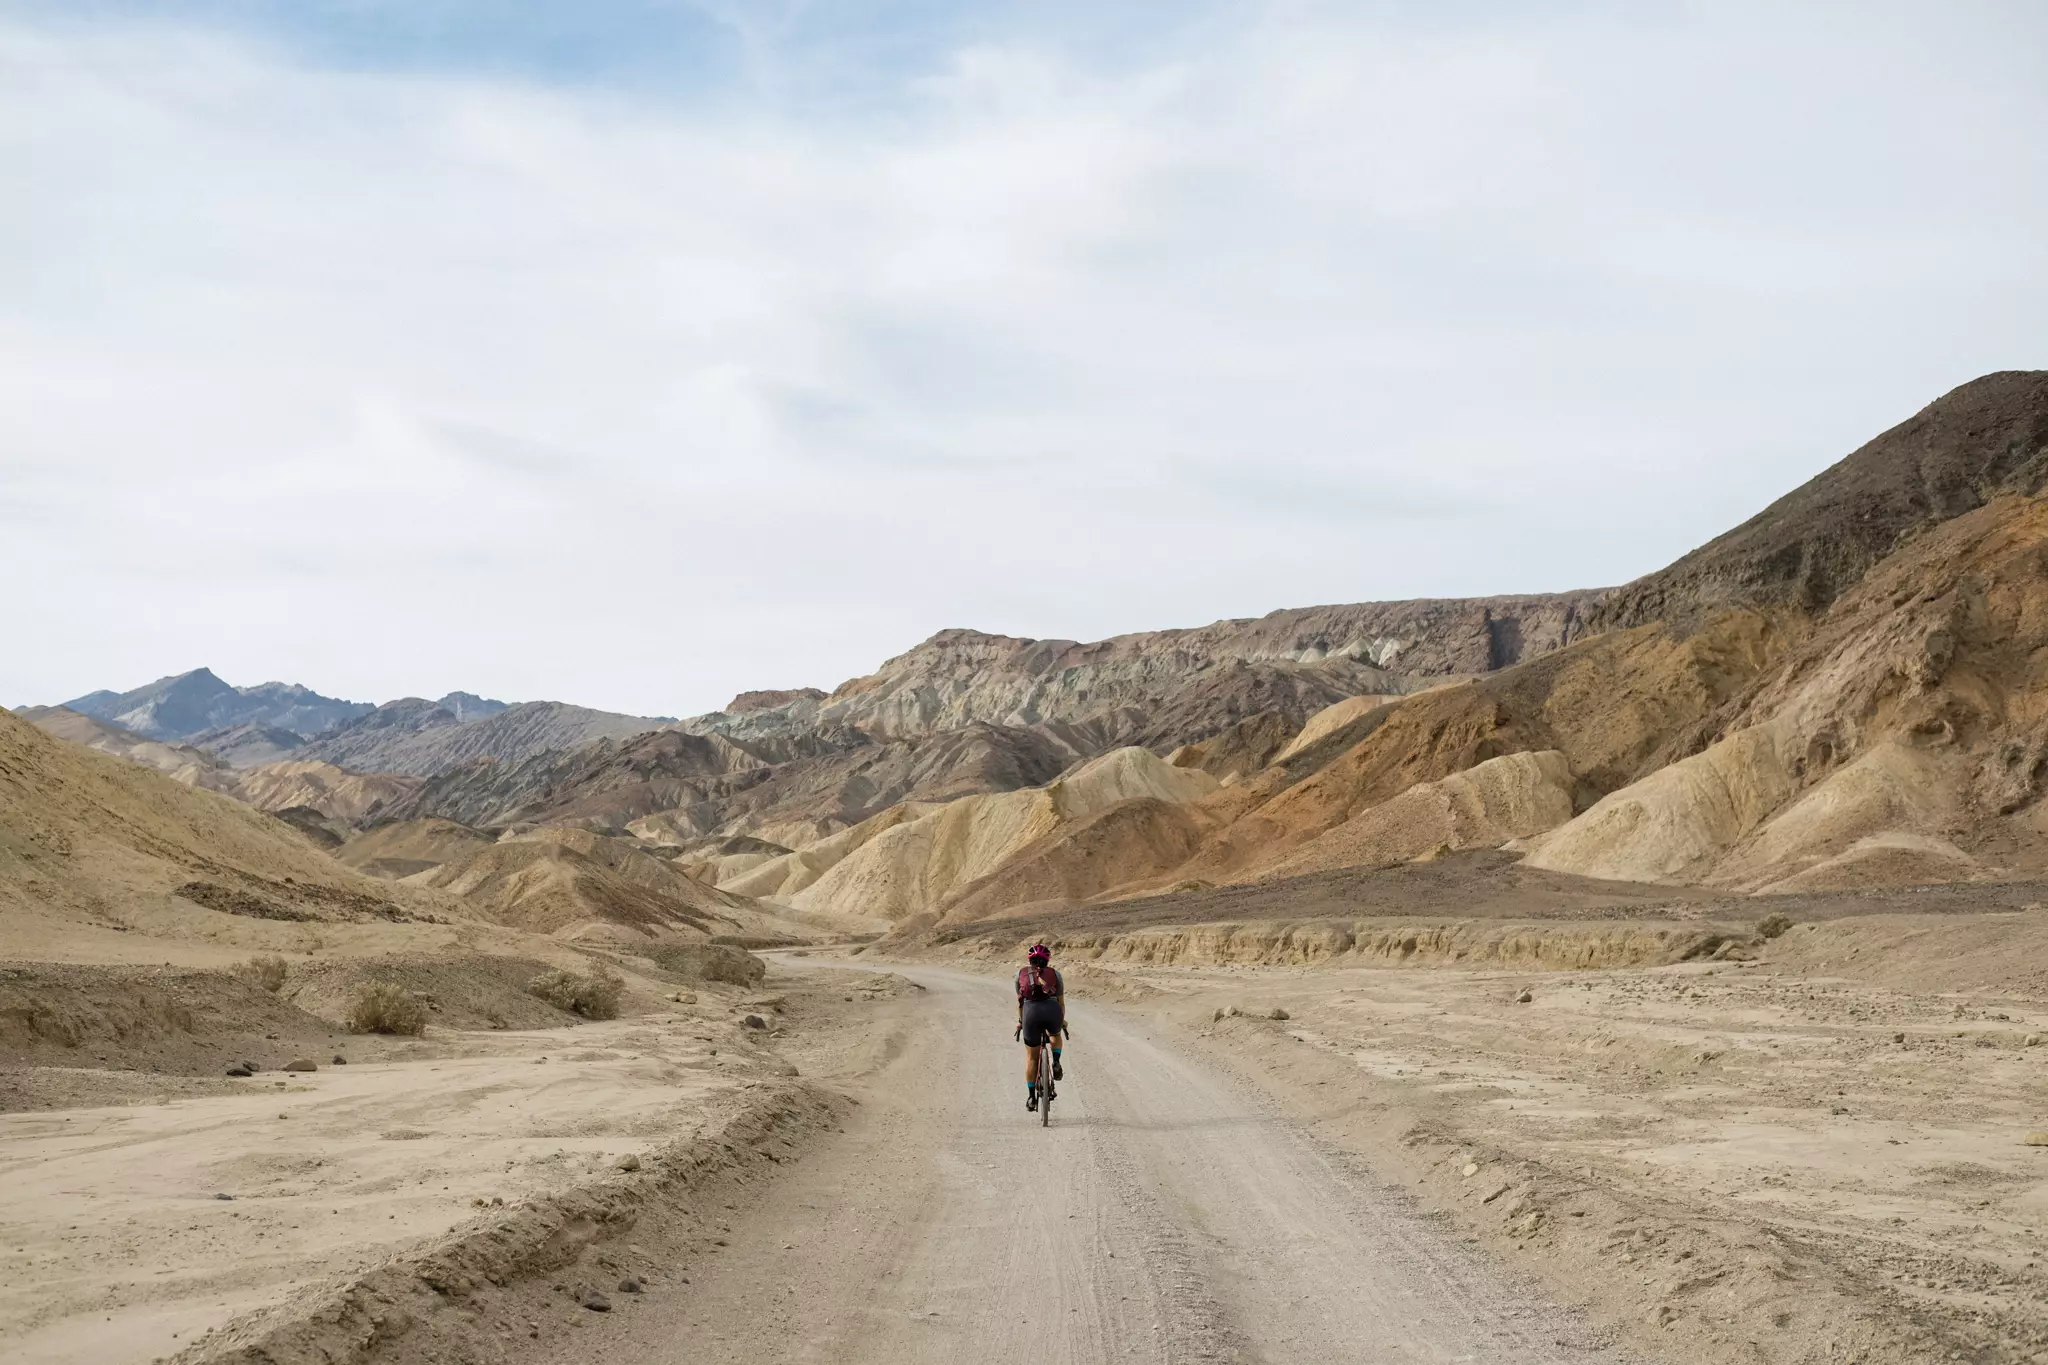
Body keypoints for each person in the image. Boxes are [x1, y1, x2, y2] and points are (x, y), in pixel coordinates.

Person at [1014, 942, 1067, 1111]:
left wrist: (1021, 1022)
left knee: (1031, 1057)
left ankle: (1031, 1097)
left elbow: (1020, 1002)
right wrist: (1062, 1020)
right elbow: (1061, 1002)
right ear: (1047, 960)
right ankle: (1056, 1061)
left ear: (1030, 960)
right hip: (1052, 1010)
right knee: (1055, 1034)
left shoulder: (1020, 975)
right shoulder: (1055, 975)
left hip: (1031, 1013)